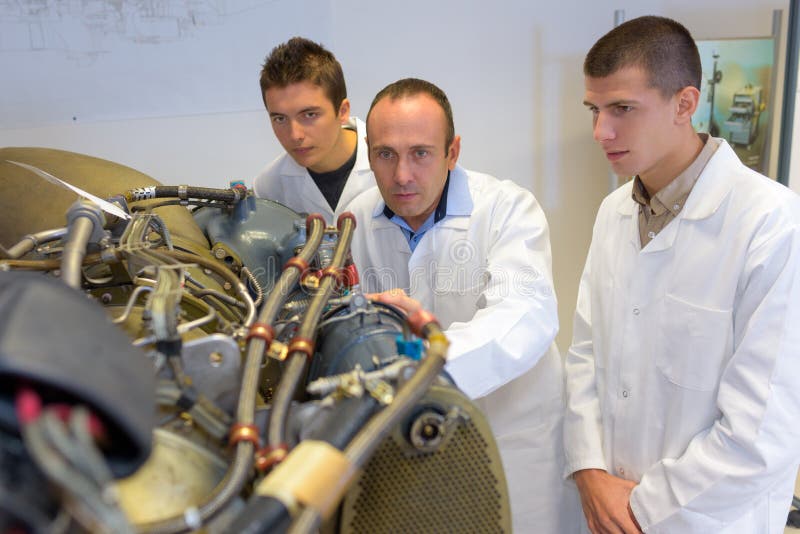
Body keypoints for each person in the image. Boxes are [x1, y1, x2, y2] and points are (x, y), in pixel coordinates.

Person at [564, 15, 800, 534]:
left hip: (704, 520)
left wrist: (642, 508)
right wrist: (587, 469)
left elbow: (762, 434)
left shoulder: (771, 224)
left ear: (685, 104)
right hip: (607, 509)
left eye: (622, 108)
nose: (601, 131)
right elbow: (585, 355)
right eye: (595, 109)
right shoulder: (613, 213)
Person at [347, 77, 580, 533]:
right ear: (369, 153)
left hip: (515, 438)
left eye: (421, 152)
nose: (402, 175)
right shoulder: (355, 220)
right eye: (385, 154)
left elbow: (526, 315)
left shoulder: (507, 209)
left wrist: (425, 364)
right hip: (415, 439)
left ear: (452, 152)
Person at [252, 37, 373, 222]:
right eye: (280, 118)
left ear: (342, 111)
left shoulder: (393, 169)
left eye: (309, 115)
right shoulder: (269, 186)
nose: (295, 135)